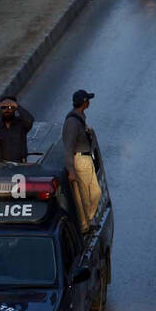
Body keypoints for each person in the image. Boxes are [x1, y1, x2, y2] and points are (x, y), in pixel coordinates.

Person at [62, 89, 102, 233]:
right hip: (80, 160)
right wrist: (71, 171)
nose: (89, 102)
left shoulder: (79, 118)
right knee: (85, 196)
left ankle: (87, 222)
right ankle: (86, 224)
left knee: (93, 193)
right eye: (88, 100)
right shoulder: (72, 122)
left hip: (86, 159)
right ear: (84, 102)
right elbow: (68, 147)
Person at [0, 96, 34, 164]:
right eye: (4, 107)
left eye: (10, 107)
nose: (7, 110)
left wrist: (17, 105)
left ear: (14, 109)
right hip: (2, 165)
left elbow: (30, 119)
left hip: (20, 164)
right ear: (0, 109)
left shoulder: (21, 124)